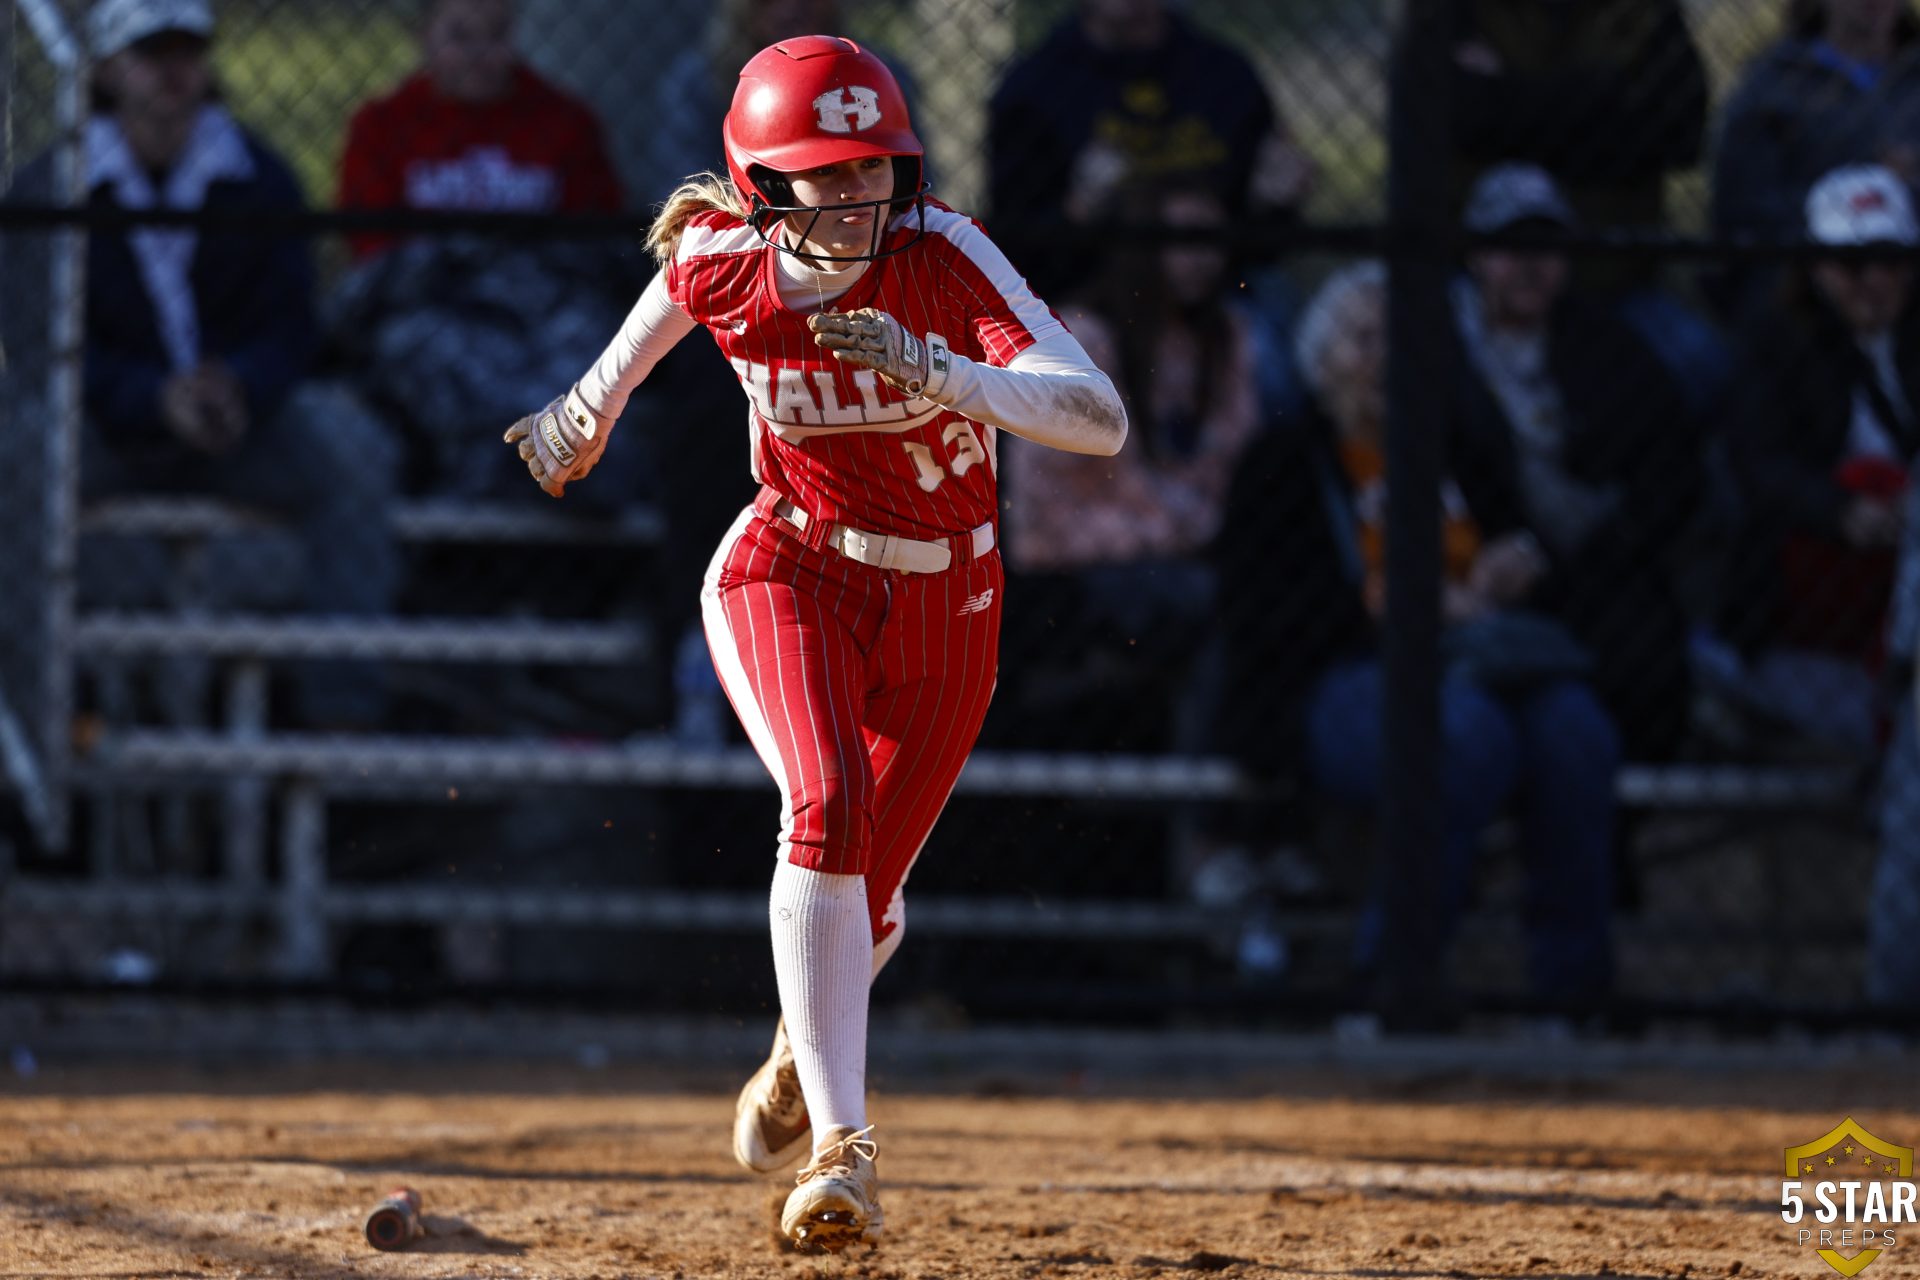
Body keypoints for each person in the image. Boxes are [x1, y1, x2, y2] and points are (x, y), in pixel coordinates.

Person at [501, 36, 1124, 1250]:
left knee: (872, 898)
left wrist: (939, 369)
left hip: (954, 598)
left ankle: (801, 1044)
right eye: (821, 176)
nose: (853, 199)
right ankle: (846, 1146)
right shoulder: (724, 259)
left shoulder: (945, 252)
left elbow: (1095, 416)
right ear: (760, 185)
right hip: (793, 566)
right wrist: (580, 420)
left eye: (872, 169)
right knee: (826, 804)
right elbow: (635, 345)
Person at [1215, 263, 1620, 1011]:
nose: (1383, 358)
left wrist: (1517, 562)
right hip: (1341, 677)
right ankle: (1393, 980)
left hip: (1481, 659)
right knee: (1463, 738)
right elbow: (1261, 615)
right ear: (1323, 357)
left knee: (1575, 732)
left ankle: (1573, 996)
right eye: (1363, 340)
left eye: (1400, 342)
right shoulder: (1285, 460)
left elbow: (1534, 549)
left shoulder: (1456, 446)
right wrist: (1388, 605)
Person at [6, 0, 397, 728]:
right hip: (106, 428)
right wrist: (153, 396)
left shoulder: (258, 177)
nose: (172, 74)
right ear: (108, 70)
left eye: (187, 52)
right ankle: (38, 715)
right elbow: (40, 351)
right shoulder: (51, 185)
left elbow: (291, 326)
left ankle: (344, 723)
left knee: (352, 446)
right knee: (24, 444)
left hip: (238, 424)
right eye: (152, 55)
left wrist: (239, 385)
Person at [1448, 165, 1702, 763]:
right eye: (1511, 248)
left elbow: (1671, 473)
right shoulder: (1431, 345)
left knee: (1642, 641)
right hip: (1466, 559)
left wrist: (1555, 552)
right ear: (1476, 256)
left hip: (1588, 564)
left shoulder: (1609, 348)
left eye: (1548, 247)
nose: (1532, 265)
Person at [1707, 164, 1920, 755]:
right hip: (1824, 555)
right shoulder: (1777, 340)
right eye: (1853, 266)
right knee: (1867, 479)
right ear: (1816, 268)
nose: (1873, 281)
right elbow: (1761, 466)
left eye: (1892, 261)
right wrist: (1843, 509)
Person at [987, 0, 1313, 301]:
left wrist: (1274, 204)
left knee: (1271, 302)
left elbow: (1266, 245)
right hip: (1087, 304)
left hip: (1217, 303)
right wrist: (1078, 209)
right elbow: (1013, 254)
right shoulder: (1034, 87)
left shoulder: (1225, 76)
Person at [336, 0, 623, 261]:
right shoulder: (382, 124)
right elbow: (370, 242)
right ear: (424, 36)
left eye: (496, 34)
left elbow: (594, 230)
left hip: (537, 288)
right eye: (460, 36)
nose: (479, 54)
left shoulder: (564, 121)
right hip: (423, 291)